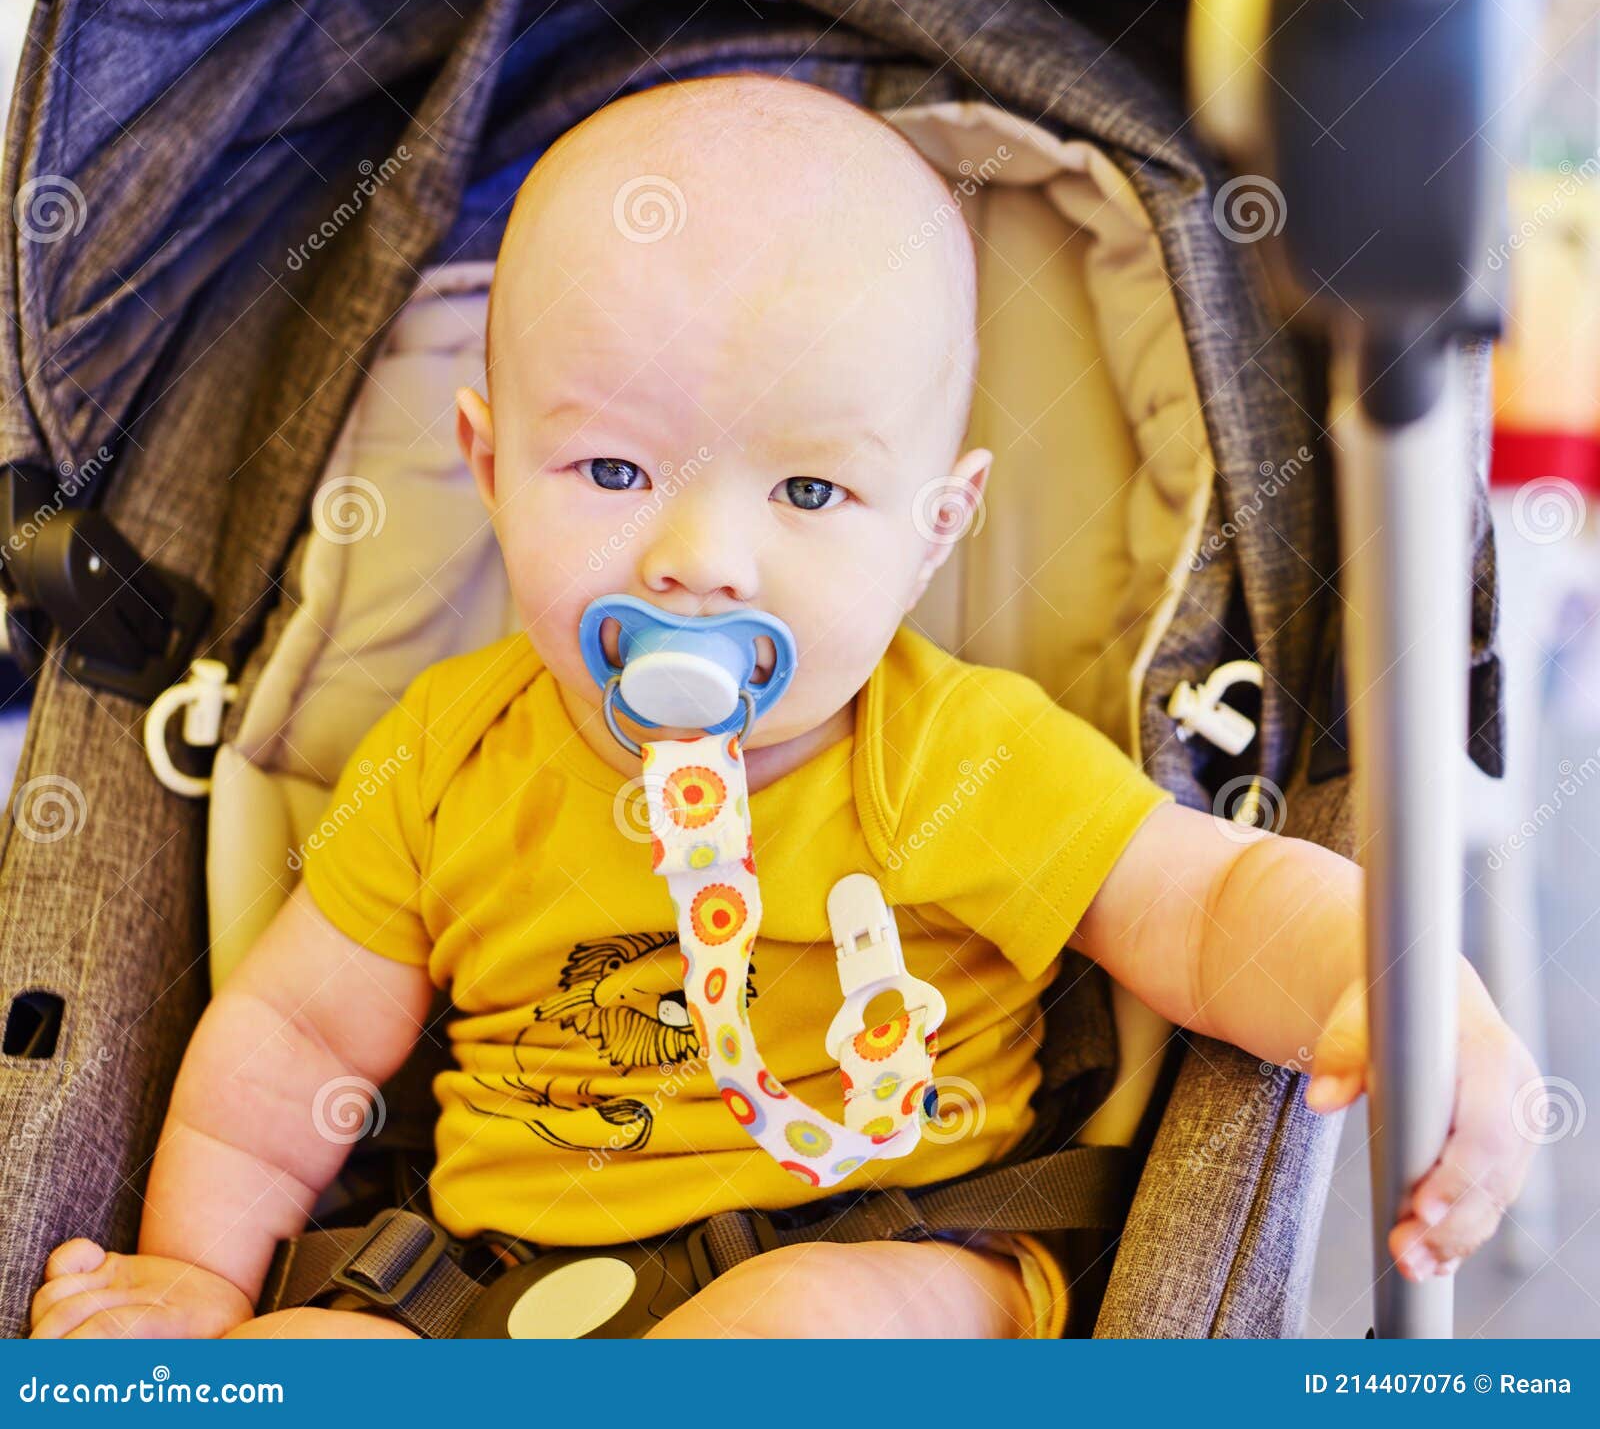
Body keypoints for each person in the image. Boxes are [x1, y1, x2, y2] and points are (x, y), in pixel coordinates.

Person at [29, 73, 1539, 1340]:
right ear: (489, 467)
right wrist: (203, 1280)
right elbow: (290, 1044)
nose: (698, 561)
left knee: (793, 1331)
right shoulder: (442, 754)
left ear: (934, 526)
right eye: (613, 473)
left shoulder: (957, 754)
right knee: (300, 1359)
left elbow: (1207, 911)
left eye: (811, 489)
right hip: (490, 1294)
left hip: (887, 1254)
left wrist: (1376, 970)